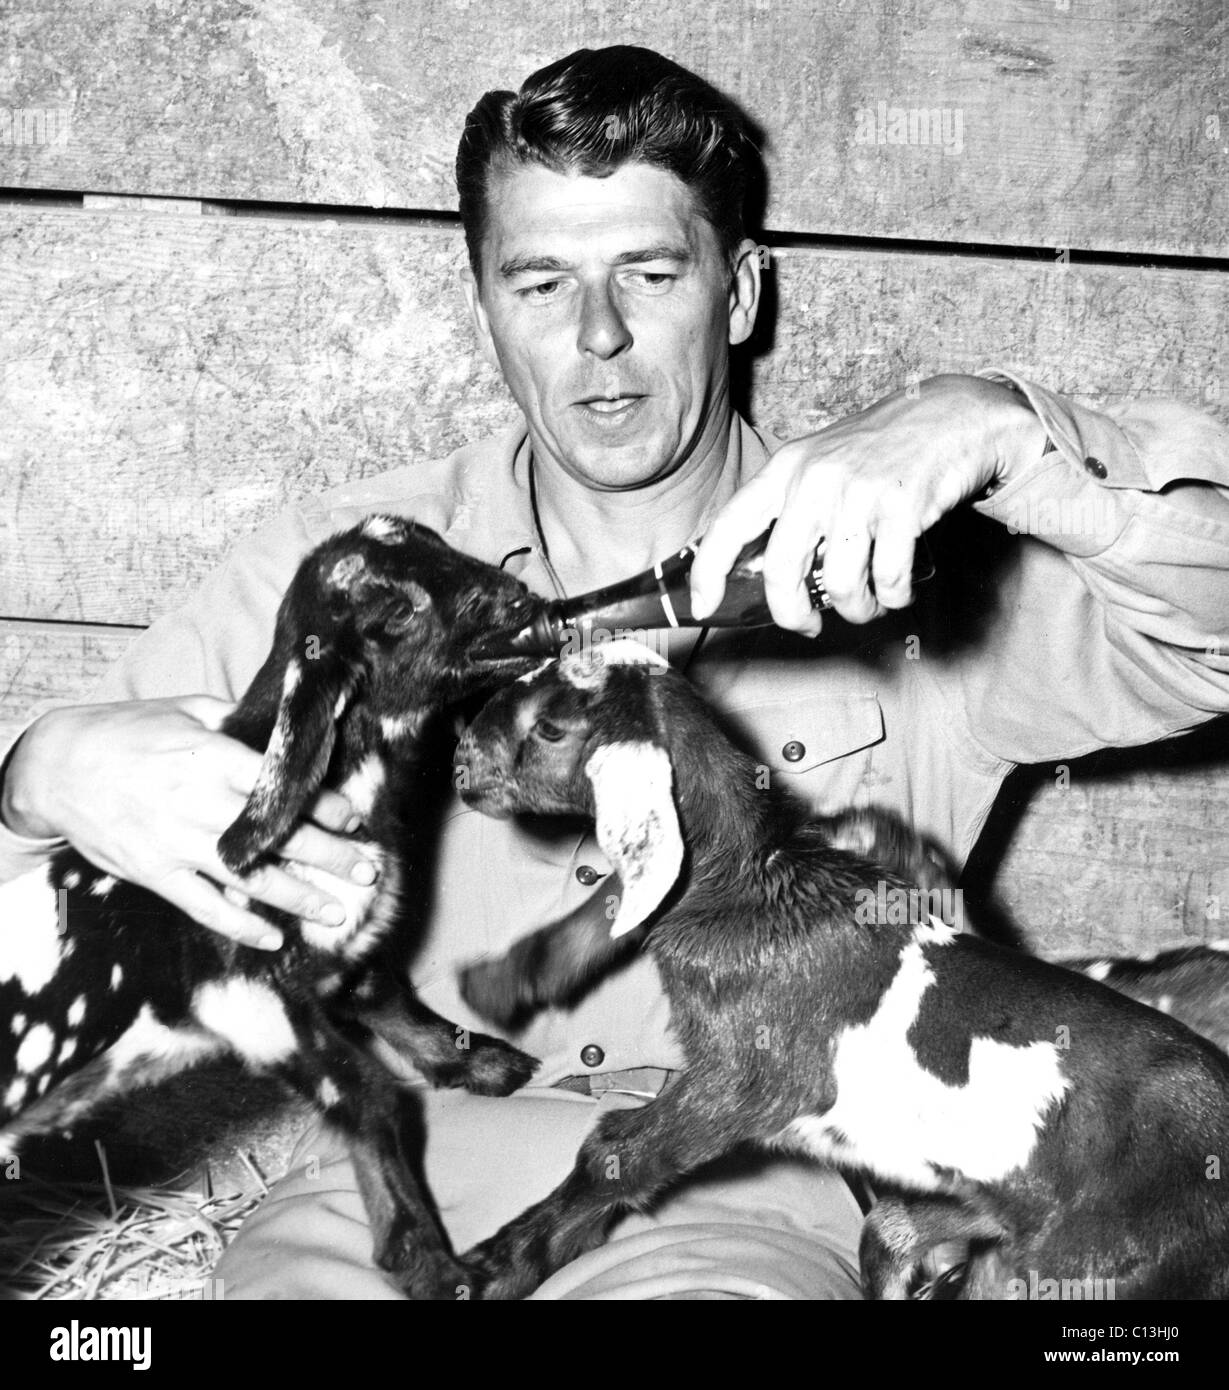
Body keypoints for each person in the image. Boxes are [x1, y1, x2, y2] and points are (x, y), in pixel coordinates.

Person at [3, 45, 1227, 1300]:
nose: (597, 337)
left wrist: (1005, 431)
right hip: (394, 1181)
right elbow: (48, 863)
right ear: (481, 302)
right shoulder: (354, 576)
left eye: (648, 273)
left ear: (739, 292)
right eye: (540, 282)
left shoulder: (917, 568)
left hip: (733, 1179)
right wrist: (41, 772)